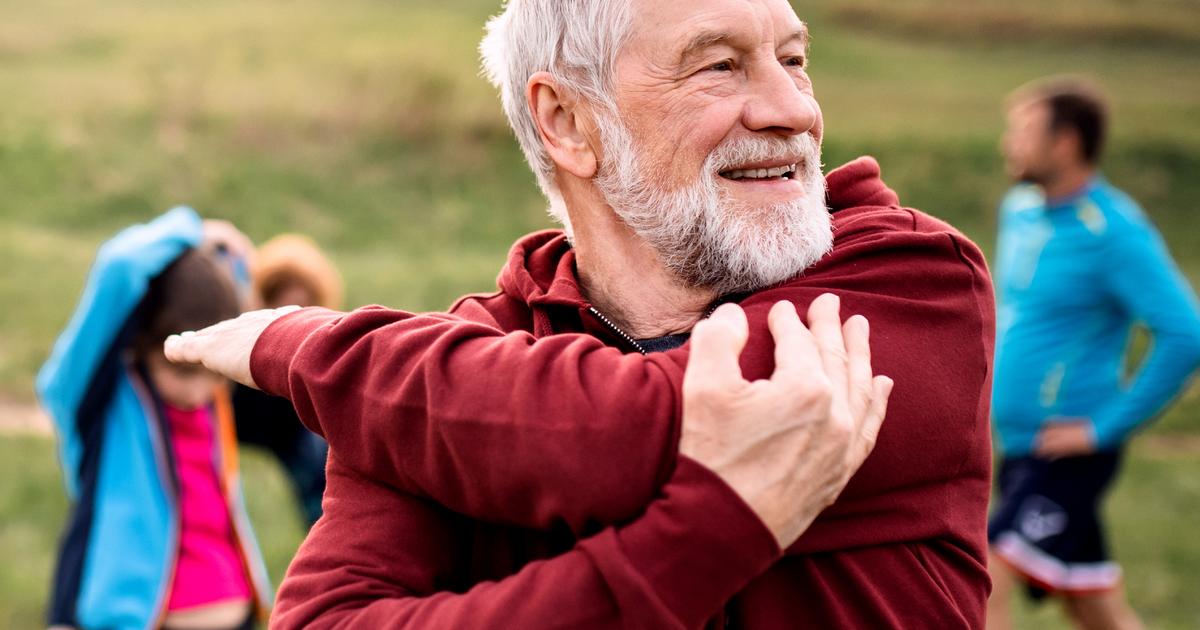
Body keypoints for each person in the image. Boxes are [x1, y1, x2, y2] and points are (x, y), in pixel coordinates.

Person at [166, 0, 997, 627]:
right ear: (567, 122)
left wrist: (313, 348)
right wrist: (710, 530)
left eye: (794, 59)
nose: (793, 109)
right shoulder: (452, 366)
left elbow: (630, 429)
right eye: (720, 66)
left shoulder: (912, 280)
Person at [987, 77, 1200, 630]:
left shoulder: (1113, 232)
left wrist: (1102, 429)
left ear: (1065, 143)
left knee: (984, 575)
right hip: (1019, 446)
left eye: (1023, 132)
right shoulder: (1020, 210)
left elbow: (1186, 333)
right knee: (1094, 607)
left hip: (1068, 452)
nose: (1009, 143)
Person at [38, 208, 273, 630]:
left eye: (213, 375)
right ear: (141, 345)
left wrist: (226, 258)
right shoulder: (102, 401)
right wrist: (194, 229)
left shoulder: (212, 402)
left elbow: (235, 301)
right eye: (180, 372)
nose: (198, 392)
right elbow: (121, 265)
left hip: (236, 612)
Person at [231, 234, 342, 525]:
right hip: (239, 412)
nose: (291, 321)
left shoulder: (317, 352)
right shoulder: (236, 341)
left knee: (321, 479)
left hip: (287, 425)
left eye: (303, 309)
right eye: (281, 307)